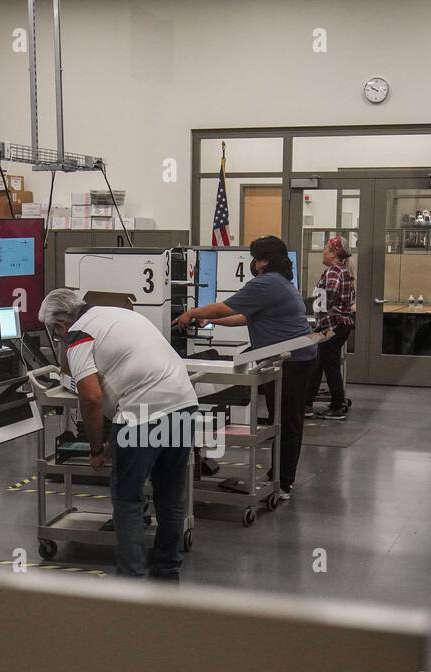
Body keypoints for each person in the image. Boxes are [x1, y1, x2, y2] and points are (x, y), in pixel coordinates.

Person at [39, 288, 198, 580]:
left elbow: (90, 398)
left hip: (141, 415)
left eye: (55, 334)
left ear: (60, 325)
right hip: (183, 404)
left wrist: (96, 448)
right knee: (171, 496)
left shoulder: (77, 335)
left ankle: (131, 577)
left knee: (128, 499)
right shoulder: (117, 314)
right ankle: (166, 570)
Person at [175, 235, 316, 499]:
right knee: (283, 420)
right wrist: (207, 320)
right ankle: (280, 476)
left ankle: (283, 483)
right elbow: (243, 317)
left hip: (292, 360)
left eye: (255, 258)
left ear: (264, 261)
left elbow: (225, 307)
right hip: (293, 357)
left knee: (286, 422)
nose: (252, 263)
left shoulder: (266, 283)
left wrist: (193, 313)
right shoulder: (280, 283)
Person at [306, 236, 355, 420]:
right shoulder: (343, 270)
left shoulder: (333, 272)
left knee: (329, 364)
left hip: (331, 326)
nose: (323, 253)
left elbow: (330, 295)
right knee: (317, 362)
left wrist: (320, 325)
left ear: (334, 254)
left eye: (326, 249)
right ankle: (306, 403)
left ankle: (337, 406)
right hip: (337, 325)